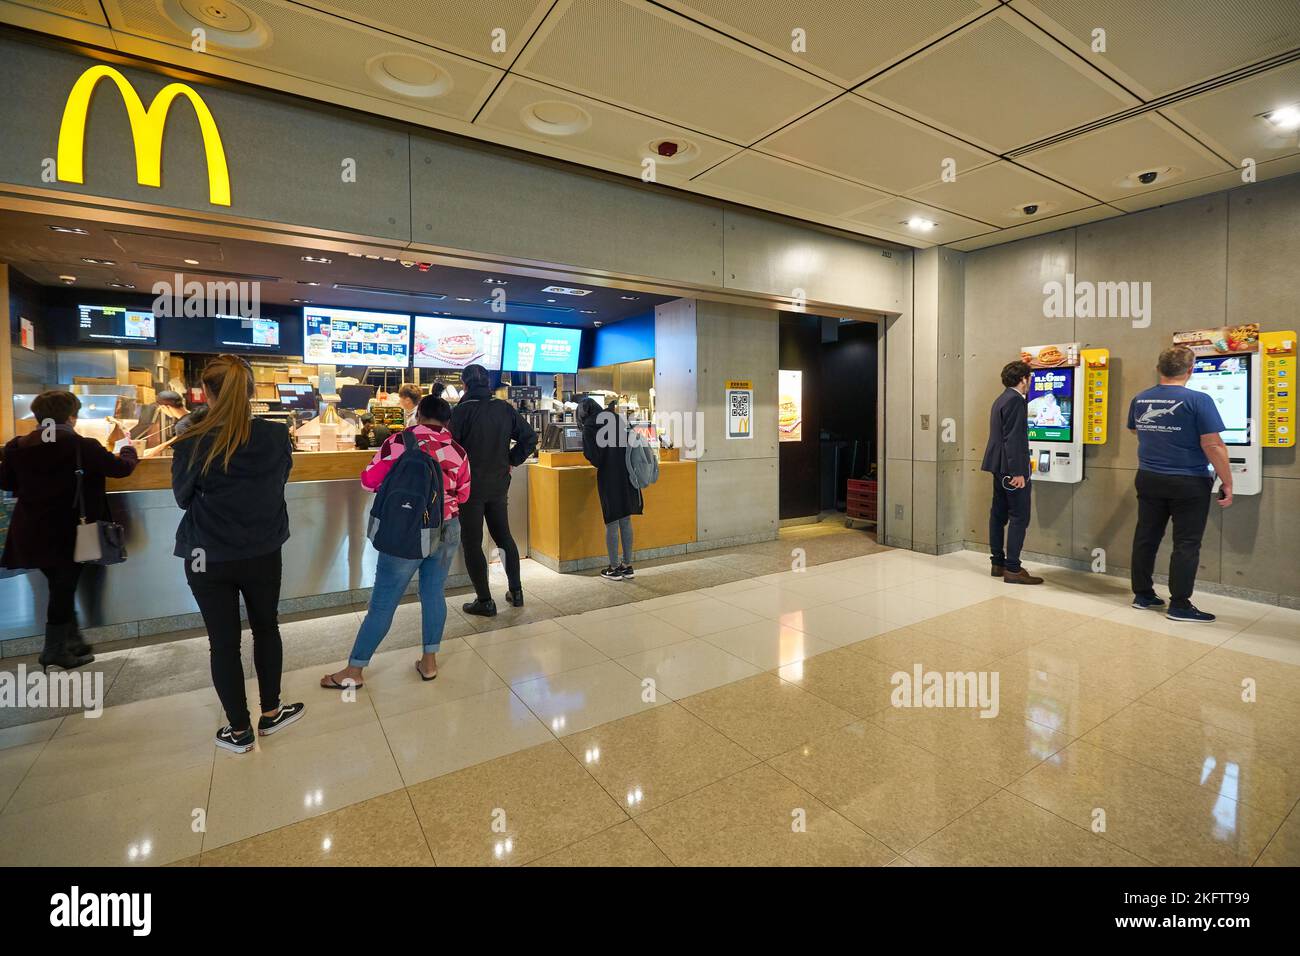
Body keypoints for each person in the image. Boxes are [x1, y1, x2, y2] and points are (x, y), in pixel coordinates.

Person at [171, 354, 305, 754]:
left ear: (205, 394)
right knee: (267, 627)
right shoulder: (276, 434)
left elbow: (182, 498)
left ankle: (239, 730)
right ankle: (271, 712)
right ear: (251, 392)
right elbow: (281, 479)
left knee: (223, 642)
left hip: (206, 554)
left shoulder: (192, 439)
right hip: (263, 550)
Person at [321, 396, 470, 690]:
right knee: (433, 594)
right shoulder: (457, 450)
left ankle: (354, 670)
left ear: (418, 415)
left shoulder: (398, 442)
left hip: (406, 530)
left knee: (383, 603)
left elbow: (368, 481)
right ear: (446, 421)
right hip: (447, 528)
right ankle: (429, 663)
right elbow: (463, 495)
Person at [0, 391, 138, 670]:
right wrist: (127, 448)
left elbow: (5, 481)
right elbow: (121, 469)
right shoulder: (81, 446)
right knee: (63, 588)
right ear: (71, 416)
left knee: (59, 586)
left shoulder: (16, 447)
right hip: (70, 534)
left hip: (30, 532)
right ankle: (54, 650)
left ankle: (70, 642)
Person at [1127, 345, 1232, 622]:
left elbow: (1136, 429)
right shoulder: (1199, 400)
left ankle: (1143, 594)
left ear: (1159, 368)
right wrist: (1227, 481)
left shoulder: (1140, 399)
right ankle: (1180, 605)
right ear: (1190, 370)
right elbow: (1213, 445)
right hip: (1188, 481)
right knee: (1186, 543)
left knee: (1146, 537)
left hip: (1148, 477)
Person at [450, 364, 537, 616]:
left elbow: (451, 450)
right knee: (504, 537)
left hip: (469, 488)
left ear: (464, 385)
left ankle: (485, 600)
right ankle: (516, 591)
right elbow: (529, 438)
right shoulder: (503, 408)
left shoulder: (460, 412)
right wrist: (510, 460)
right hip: (499, 483)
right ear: (487, 383)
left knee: (472, 542)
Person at [980, 360, 1043, 585]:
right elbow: (1014, 438)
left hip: (997, 466)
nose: (1030, 383)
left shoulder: (1001, 399)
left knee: (998, 514)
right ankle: (1013, 569)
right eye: (1030, 378)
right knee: (1019, 517)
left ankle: (997, 563)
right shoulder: (1016, 400)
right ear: (1022, 379)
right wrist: (1018, 472)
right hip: (1011, 469)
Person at [577, 398, 642, 580]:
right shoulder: (615, 418)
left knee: (612, 521)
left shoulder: (589, 426)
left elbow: (594, 458)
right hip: (627, 474)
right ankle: (627, 566)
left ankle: (613, 568)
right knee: (626, 519)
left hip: (609, 476)